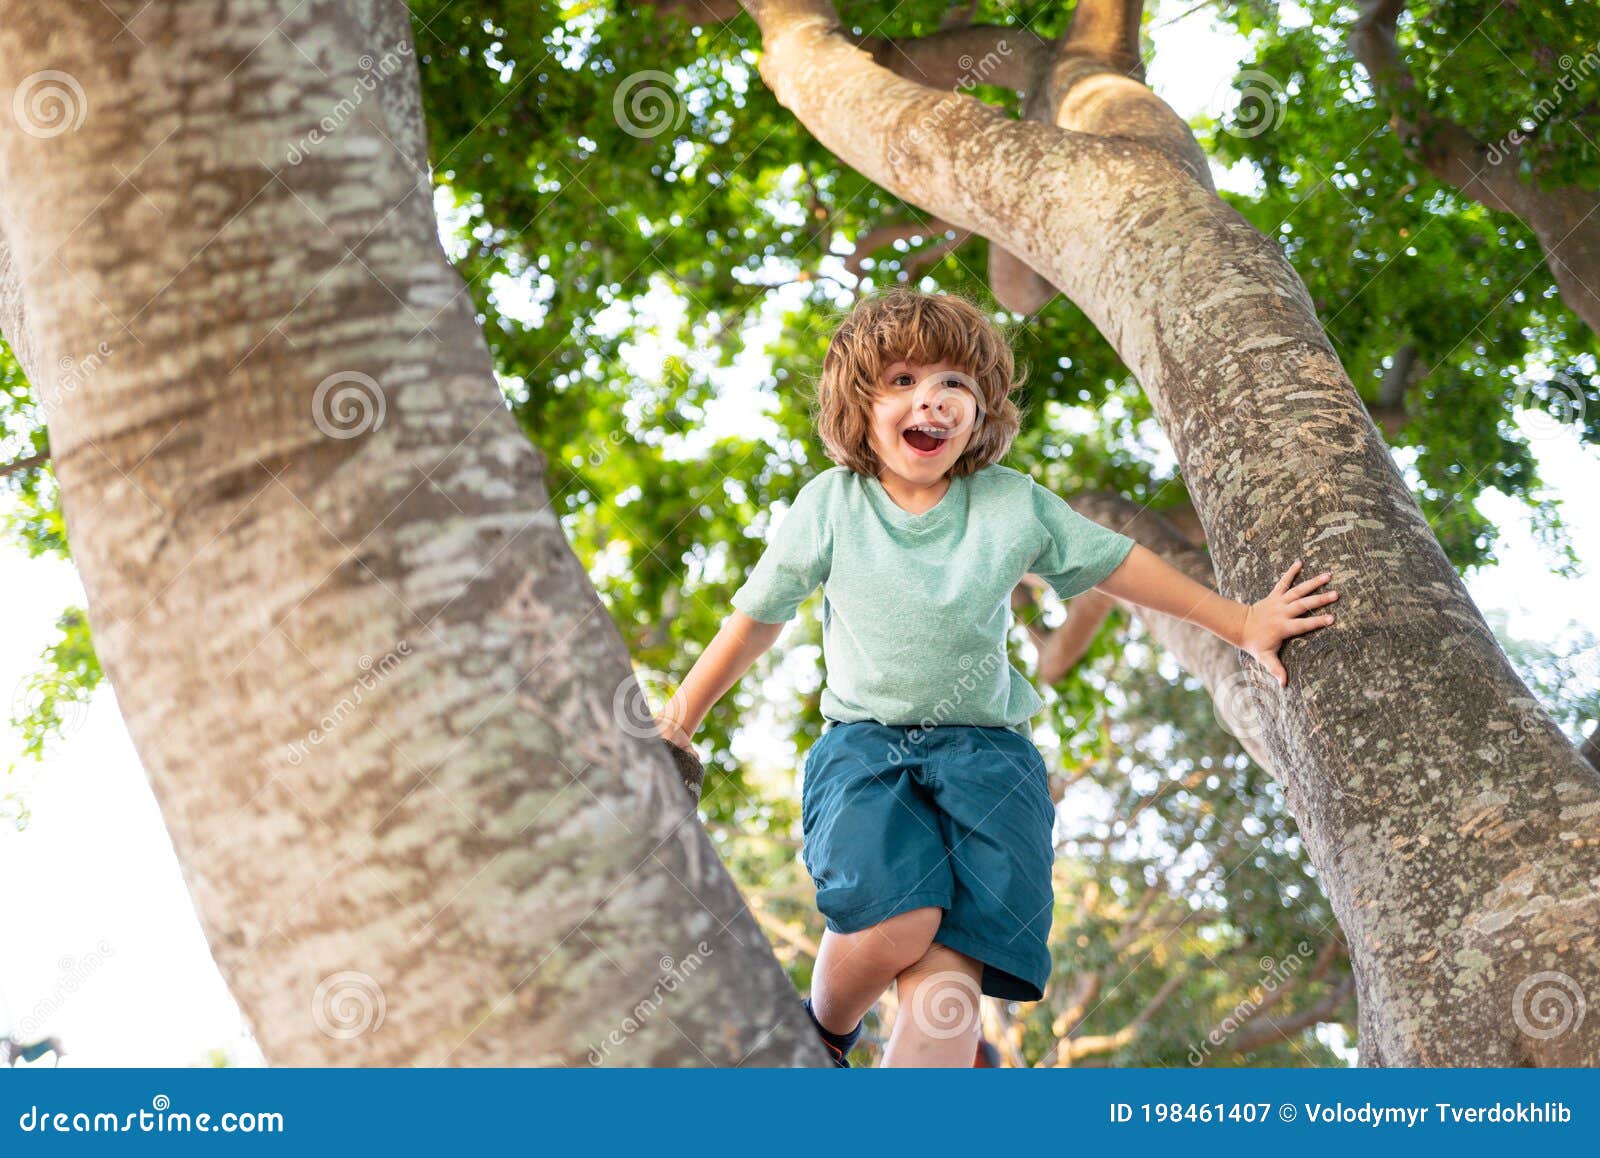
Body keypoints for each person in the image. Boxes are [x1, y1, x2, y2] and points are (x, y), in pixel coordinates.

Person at [654, 287, 1337, 1067]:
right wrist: (677, 723)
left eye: (956, 386)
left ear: (981, 414)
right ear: (859, 405)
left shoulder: (1010, 503)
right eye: (904, 380)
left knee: (947, 998)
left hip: (990, 759)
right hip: (866, 749)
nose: (933, 400)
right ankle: (821, 1032)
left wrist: (1243, 623)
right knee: (894, 926)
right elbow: (756, 617)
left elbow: (1119, 564)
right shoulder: (832, 505)